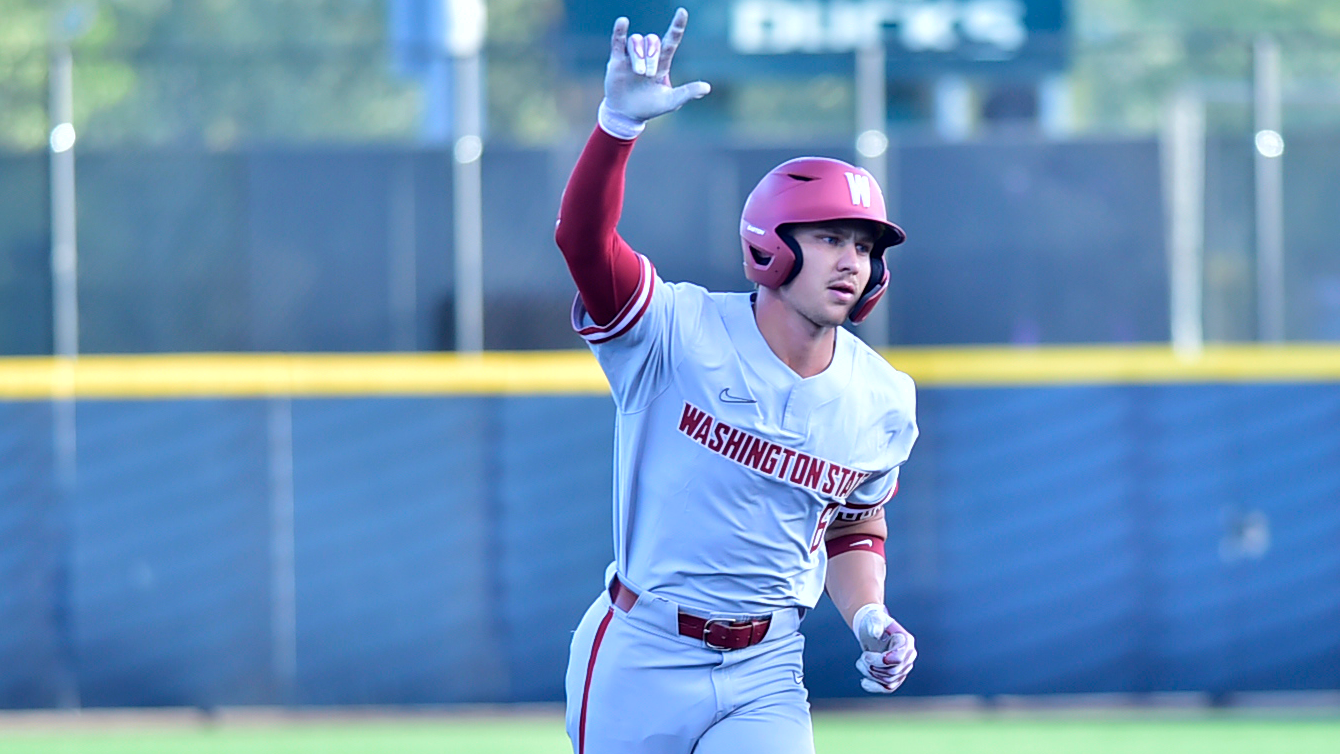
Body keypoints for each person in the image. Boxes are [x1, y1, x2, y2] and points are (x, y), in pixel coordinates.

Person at [555, 8, 919, 753]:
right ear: (771, 244)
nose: (852, 260)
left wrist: (870, 616)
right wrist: (616, 129)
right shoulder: (674, 332)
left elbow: (854, 520)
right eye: (828, 239)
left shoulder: (884, 399)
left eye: (864, 246)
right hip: (643, 651)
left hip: (766, 665)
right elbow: (582, 243)